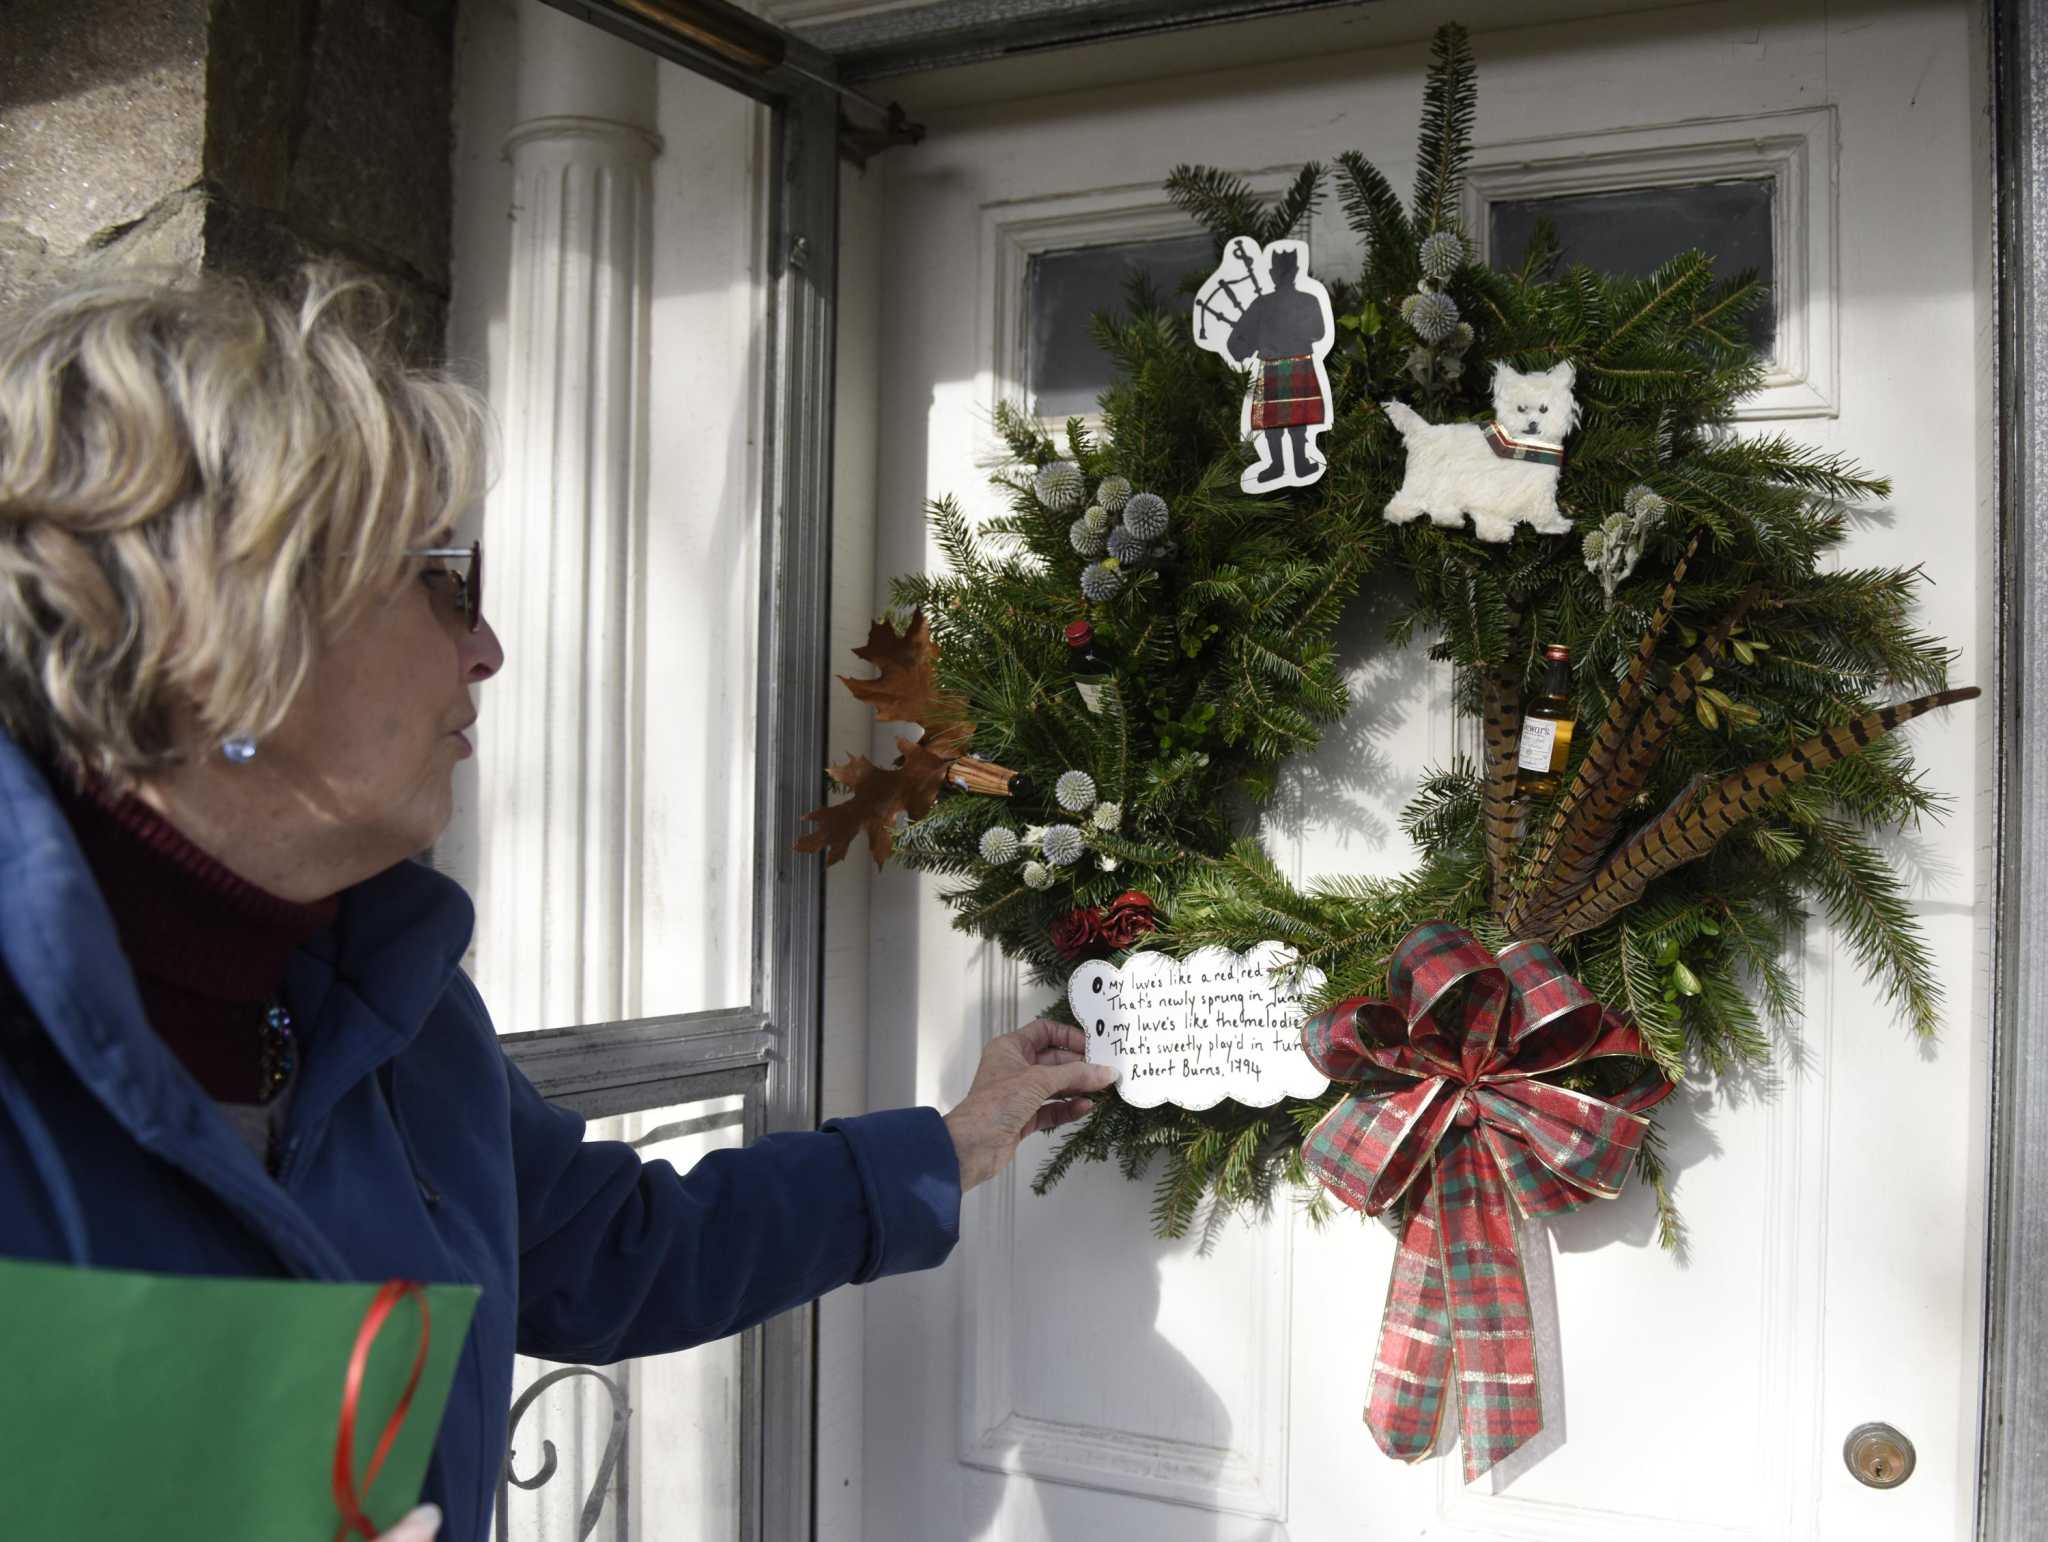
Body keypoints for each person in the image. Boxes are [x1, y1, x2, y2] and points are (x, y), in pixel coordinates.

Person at [0, 266, 1117, 1541]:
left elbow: (612, 1251)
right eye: (443, 580)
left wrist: (956, 1142)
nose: (486, 650)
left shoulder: (383, 997)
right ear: (220, 626)